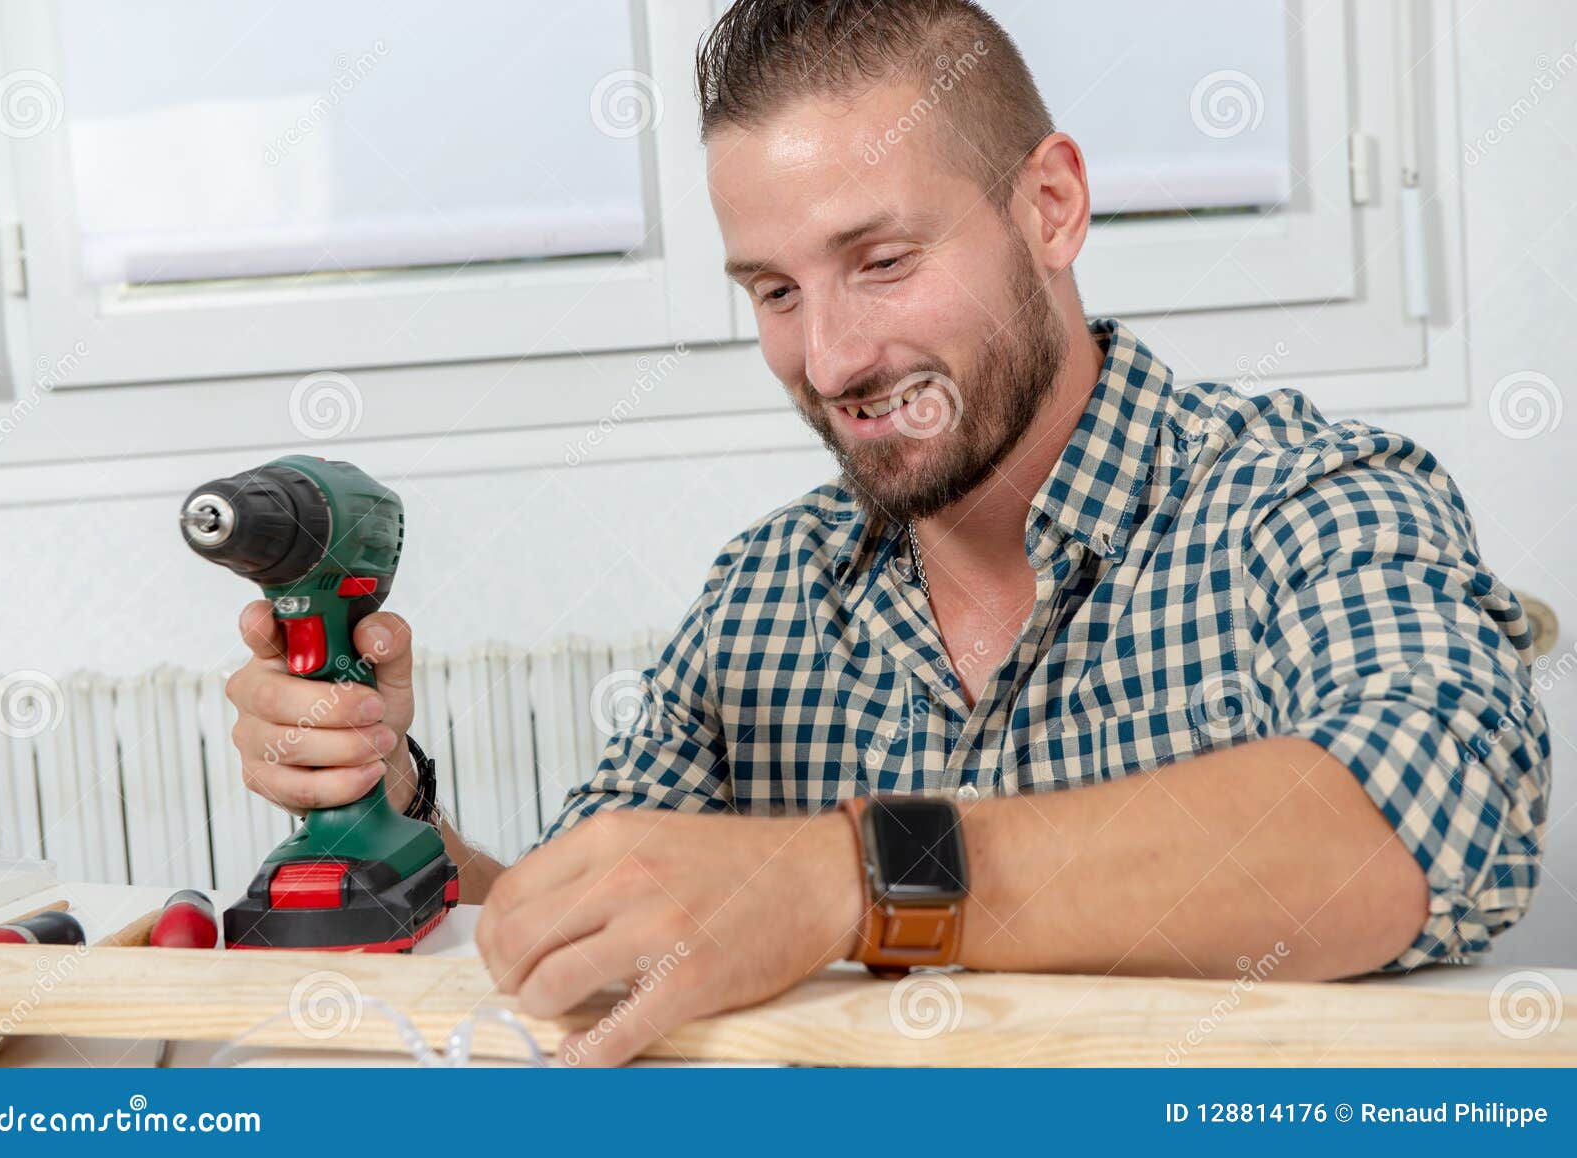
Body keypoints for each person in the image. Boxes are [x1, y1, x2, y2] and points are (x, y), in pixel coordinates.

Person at [225, 0, 1549, 1066]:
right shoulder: (763, 594)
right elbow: (594, 938)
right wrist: (389, 813)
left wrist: (855, 876)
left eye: (882, 260)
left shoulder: (1307, 501)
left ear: (1051, 208)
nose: (832, 354)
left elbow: (1416, 822)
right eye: (777, 289)